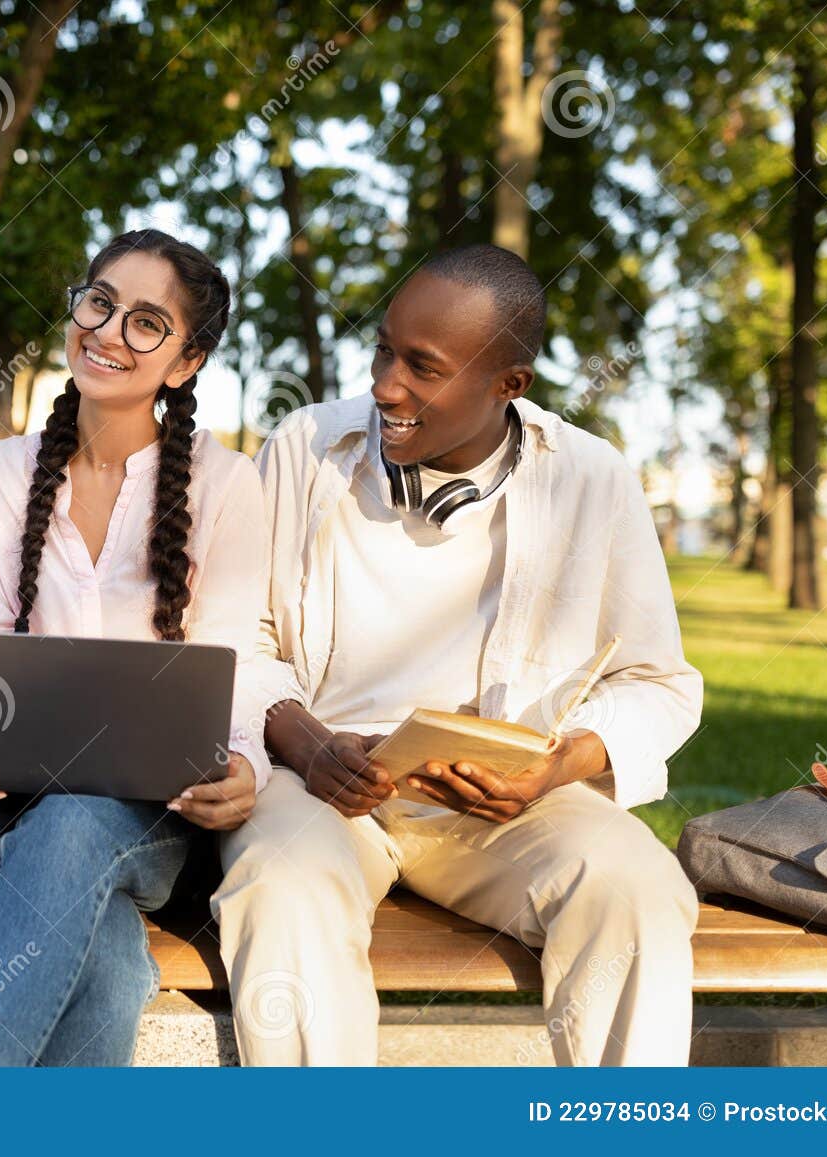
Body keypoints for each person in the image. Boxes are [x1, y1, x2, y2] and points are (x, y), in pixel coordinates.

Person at [215, 243, 704, 1066]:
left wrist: (558, 763)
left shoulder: (592, 478)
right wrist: (307, 742)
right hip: (322, 783)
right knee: (283, 887)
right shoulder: (305, 447)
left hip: (503, 805)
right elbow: (234, 637)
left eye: (422, 366)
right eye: (383, 349)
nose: (384, 385)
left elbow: (658, 683)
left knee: (640, 891)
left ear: (509, 384)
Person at [0, 229, 270, 1066]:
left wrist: (243, 765)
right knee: (101, 958)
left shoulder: (227, 483)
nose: (107, 331)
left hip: (150, 821)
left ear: (186, 362)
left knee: (72, 827)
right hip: (1, 810)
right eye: (99, 302)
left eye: (146, 322)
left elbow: (230, 667)